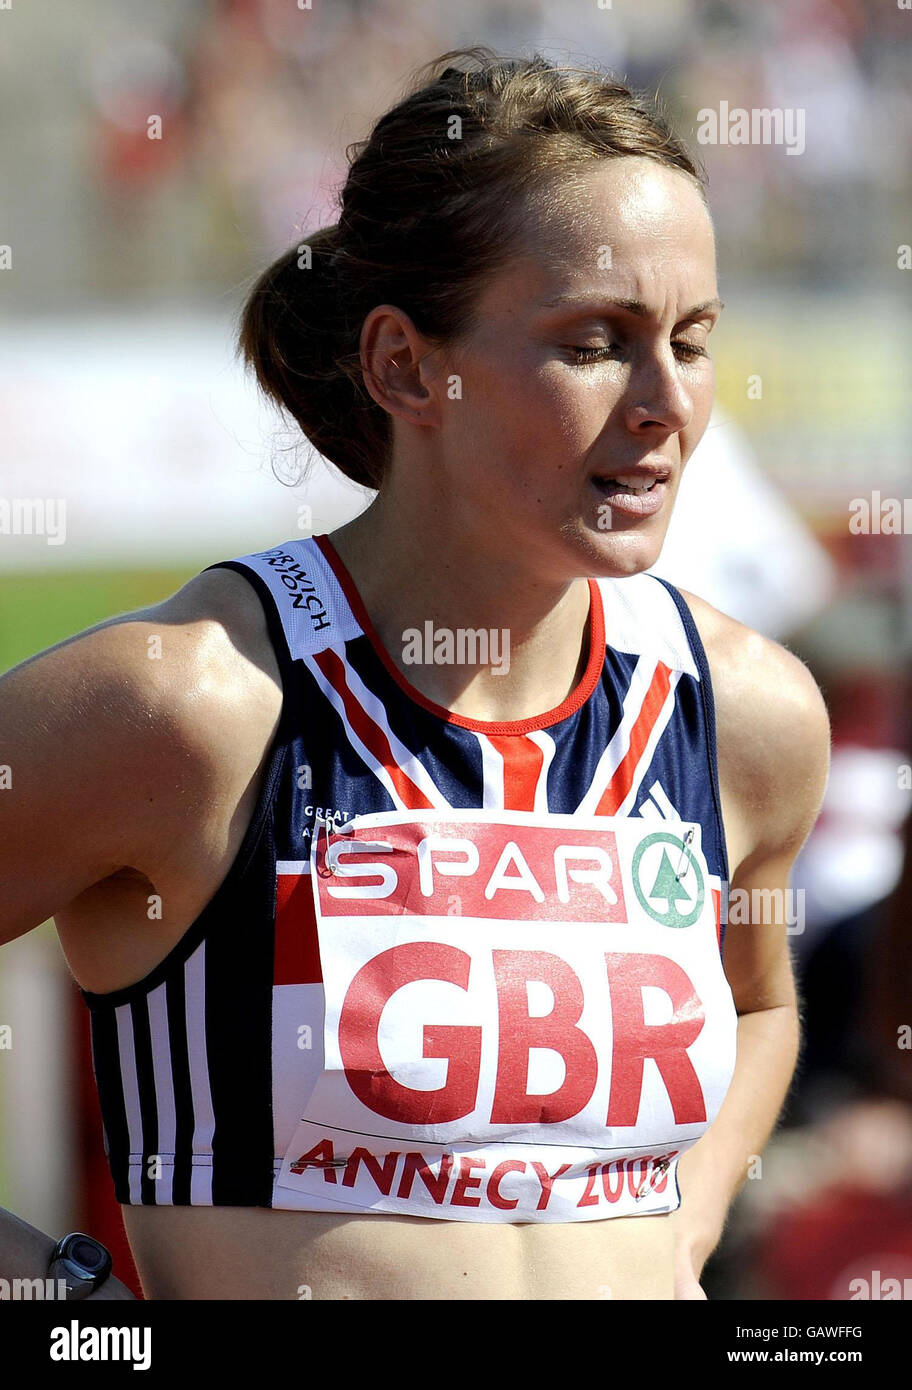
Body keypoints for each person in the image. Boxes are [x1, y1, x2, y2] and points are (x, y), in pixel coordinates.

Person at [0, 47, 830, 1301]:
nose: (668, 403)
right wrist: (68, 1306)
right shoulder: (197, 707)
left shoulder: (747, 714)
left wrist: (681, 1233)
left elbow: (760, 1007)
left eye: (694, 340)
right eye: (596, 341)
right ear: (402, 367)